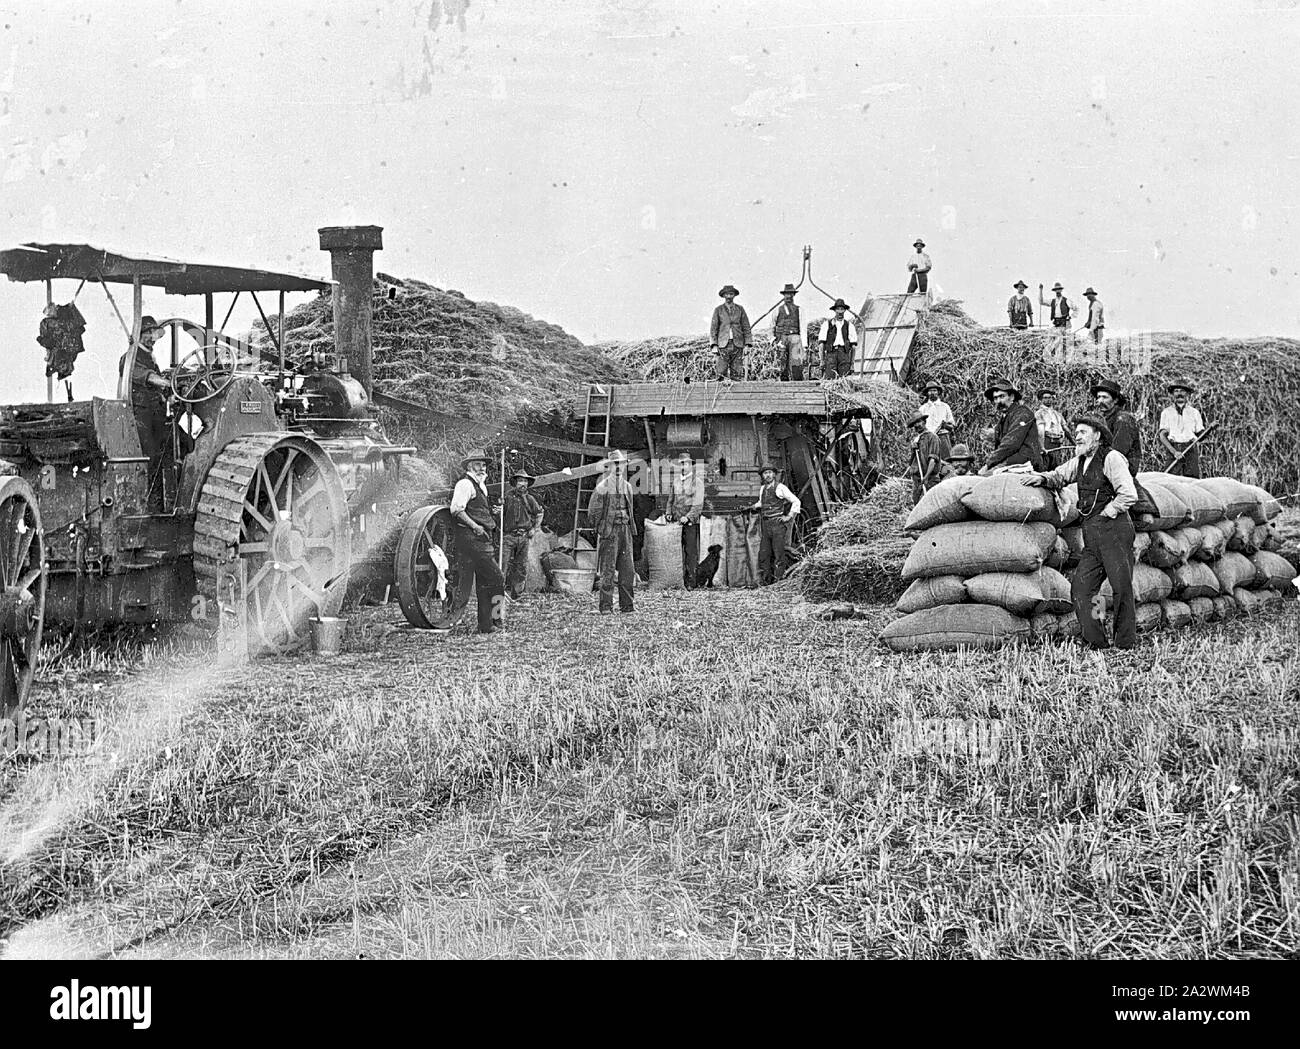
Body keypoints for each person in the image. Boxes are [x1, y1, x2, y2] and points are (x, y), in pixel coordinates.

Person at [1020, 415, 1138, 650]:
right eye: (1077, 432)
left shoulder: (1111, 458)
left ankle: (1125, 642)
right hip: (1092, 535)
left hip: (1114, 530)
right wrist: (1041, 478)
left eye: (1083, 432)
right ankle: (1098, 639)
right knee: (1083, 589)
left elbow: (1128, 494)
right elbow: (1060, 475)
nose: (1078, 436)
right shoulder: (1080, 461)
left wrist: (1108, 512)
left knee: (1121, 588)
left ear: (1098, 436)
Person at [444, 450, 508, 635]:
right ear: (469, 466)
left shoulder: (481, 485)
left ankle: (486, 625)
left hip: (482, 539)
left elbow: (476, 510)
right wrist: (475, 526)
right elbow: (456, 510)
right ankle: (497, 619)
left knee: (484, 583)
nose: (483, 468)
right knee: (497, 579)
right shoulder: (465, 484)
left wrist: (492, 513)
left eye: (484, 465)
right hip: (473, 540)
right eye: (478, 464)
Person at [587, 449, 637, 614]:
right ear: (609, 467)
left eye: (621, 464)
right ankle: (606, 607)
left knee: (627, 570)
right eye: (615, 464)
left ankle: (627, 606)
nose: (618, 467)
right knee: (608, 570)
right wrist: (601, 529)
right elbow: (593, 512)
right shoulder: (602, 487)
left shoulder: (628, 486)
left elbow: (630, 509)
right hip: (610, 531)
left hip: (625, 531)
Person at [117, 315, 170, 461]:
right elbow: (149, 377)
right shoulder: (129, 358)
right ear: (139, 335)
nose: (153, 338)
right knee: (148, 455)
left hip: (155, 415)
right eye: (149, 333)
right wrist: (169, 383)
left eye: (155, 334)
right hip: (140, 417)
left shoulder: (149, 358)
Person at [749, 464, 800, 584]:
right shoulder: (763, 489)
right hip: (765, 525)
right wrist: (752, 507)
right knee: (764, 554)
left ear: (774, 474)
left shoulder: (780, 488)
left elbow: (796, 501)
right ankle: (766, 582)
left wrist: (789, 516)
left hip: (777, 524)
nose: (768, 475)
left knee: (778, 554)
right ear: (762, 476)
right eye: (765, 473)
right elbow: (762, 503)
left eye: (770, 472)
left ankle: (779, 582)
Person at [981, 376, 1043, 474]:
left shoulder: (1023, 413)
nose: (998, 402)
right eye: (995, 398)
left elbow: (1011, 443)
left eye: (1002, 396)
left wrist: (989, 462)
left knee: (987, 476)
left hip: (1025, 459)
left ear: (1012, 397)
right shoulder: (1003, 419)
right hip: (1012, 459)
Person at [500, 470, 544, 600]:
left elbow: (540, 514)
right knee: (503, 564)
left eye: (525, 481)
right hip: (508, 536)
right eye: (520, 481)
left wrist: (534, 529)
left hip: (524, 537)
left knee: (521, 566)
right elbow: (499, 515)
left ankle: (516, 595)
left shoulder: (530, 499)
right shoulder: (507, 497)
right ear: (515, 483)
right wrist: (499, 509)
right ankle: (499, 592)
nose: (522, 484)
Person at [665, 450, 704, 588]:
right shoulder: (676, 481)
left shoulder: (697, 481)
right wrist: (668, 513)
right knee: (675, 552)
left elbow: (698, 504)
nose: (684, 466)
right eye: (681, 464)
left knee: (690, 552)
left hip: (690, 523)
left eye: (686, 464)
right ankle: (677, 581)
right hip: (676, 523)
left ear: (691, 465)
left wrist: (687, 517)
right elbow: (670, 500)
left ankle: (691, 583)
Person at [1091, 378, 1141, 475]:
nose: (1100, 401)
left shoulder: (1123, 419)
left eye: (1105, 397)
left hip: (1122, 468)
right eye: (1098, 397)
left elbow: (1118, 451)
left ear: (1115, 400)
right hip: (1106, 463)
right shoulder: (1103, 419)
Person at [1158, 382, 1206, 478]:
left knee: (1192, 481)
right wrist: (1174, 452)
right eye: (1176, 391)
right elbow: (1162, 436)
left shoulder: (1194, 413)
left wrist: (1209, 430)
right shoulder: (1166, 412)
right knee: (1170, 480)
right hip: (1173, 450)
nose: (1179, 393)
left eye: (1182, 391)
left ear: (1187, 394)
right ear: (1172, 394)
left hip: (1190, 450)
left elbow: (1201, 435)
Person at [709, 285, 751, 381]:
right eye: (726, 294)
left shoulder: (740, 309)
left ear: (734, 295)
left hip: (737, 344)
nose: (729, 296)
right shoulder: (718, 310)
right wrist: (714, 345)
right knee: (721, 373)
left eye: (731, 294)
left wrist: (747, 344)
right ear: (723, 296)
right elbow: (713, 329)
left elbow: (746, 327)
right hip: (723, 346)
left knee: (737, 373)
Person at [905, 411, 943, 502]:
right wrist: (914, 451)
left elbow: (933, 460)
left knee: (930, 504)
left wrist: (926, 477)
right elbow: (911, 462)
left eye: (919, 422)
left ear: (924, 422)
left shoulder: (932, 438)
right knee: (916, 503)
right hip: (917, 479)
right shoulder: (916, 440)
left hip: (929, 479)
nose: (917, 425)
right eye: (915, 423)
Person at [771, 283, 805, 381]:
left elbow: (802, 327)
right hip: (781, 338)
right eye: (786, 294)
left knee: (796, 363)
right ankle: (783, 383)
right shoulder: (777, 310)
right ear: (783, 295)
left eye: (790, 294)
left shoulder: (799, 310)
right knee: (781, 363)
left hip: (795, 338)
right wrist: (773, 340)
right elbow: (772, 325)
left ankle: (798, 384)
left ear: (793, 295)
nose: (788, 296)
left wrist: (804, 346)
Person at [818, 299, 857, 379]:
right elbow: (821, 344)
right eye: (838, 309)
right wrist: (822, 360)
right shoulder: (827, 324)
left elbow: (853, 347)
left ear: (845, 310)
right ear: (834, 310)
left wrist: (852, 364)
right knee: (830, 380)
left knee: (844, 380)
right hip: (831, 354)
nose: (840, 312)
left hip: (844, 354)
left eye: (842, 309)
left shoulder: (849, 326)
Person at [916, 380, 956, 459]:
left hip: (943, 438)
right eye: (930, 391)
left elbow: (952, 426)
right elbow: (918, 428)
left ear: (938, 392)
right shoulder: (922, 409)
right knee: (929, 462)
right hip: (928, 439)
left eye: (934, 390)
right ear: (927, 393)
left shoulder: (945, 407)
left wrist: (945, 425)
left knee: (946, 462)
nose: (932, 393)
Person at [1034, 388, 1069, 468]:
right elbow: (1040, 431)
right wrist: (1042, 447)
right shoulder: (1039, 414)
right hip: (1047, 442)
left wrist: (1075, 443)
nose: (1048, 400)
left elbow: (1065, 429)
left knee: (1057, 467)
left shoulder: (1057, 414)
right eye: (1045, 398)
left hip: (1057, 443)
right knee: (1046, 466)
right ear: (1040, 400)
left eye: (1050, 397)